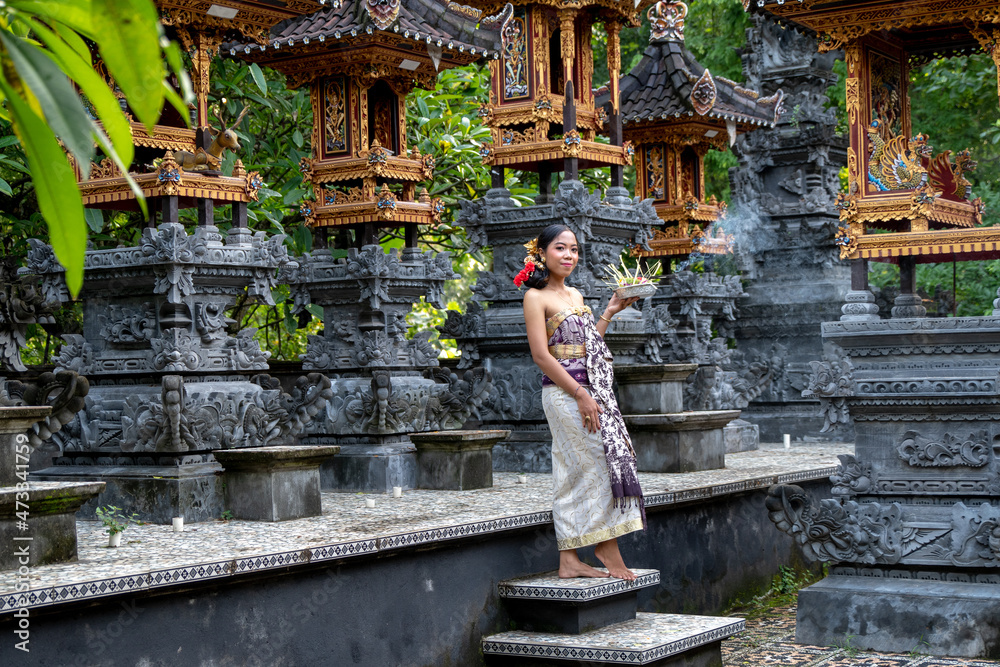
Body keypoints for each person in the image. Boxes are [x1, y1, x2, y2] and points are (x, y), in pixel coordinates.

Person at [518, 223, 646, 581]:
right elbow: (542, 356)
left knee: (585, 465)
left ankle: (572, 558)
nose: (569, 256)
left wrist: (608, 312)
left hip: (591, 392)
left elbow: (591, 350)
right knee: (586, 462)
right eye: (561, 248)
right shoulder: (535, 297)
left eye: (574, 249)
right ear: (541, 253)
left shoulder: (576, 296)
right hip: (565, 395)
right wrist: (579, 394)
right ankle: (602, 547)